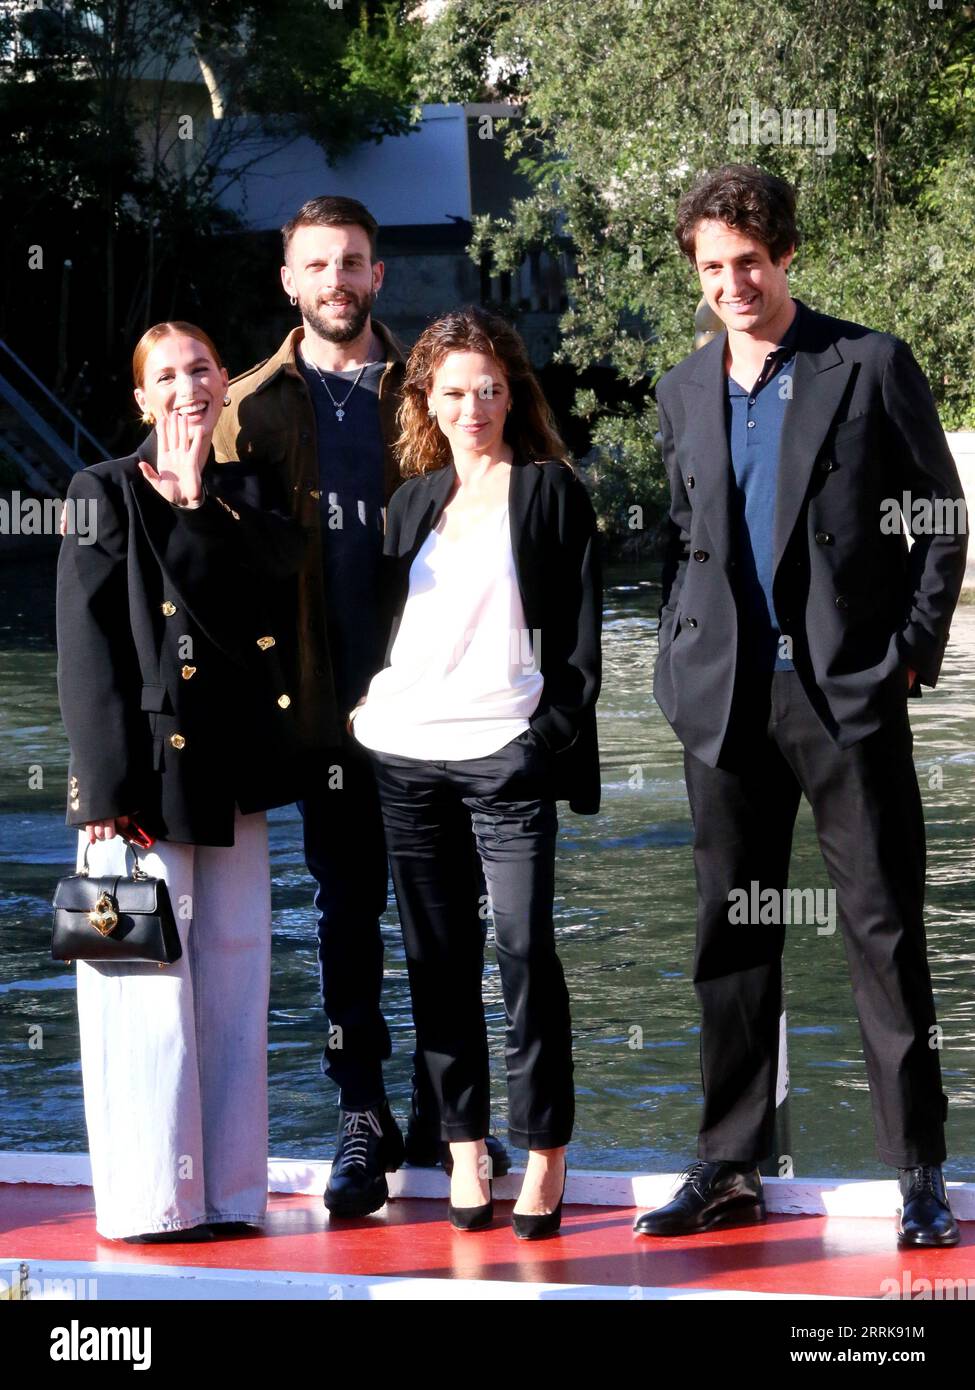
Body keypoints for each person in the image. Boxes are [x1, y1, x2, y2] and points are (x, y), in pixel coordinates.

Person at [637, 165, 967, 1246]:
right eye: (713, 267)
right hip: (723, 704)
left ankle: (918, 1169)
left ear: (785, 256)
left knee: (881, 930)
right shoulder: (683, 390)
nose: (733, 282)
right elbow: (690, 537)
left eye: (750, 262)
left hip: (844, 693)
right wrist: (675, 662)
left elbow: (938, 515)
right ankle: (727, 1162)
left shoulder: (866, 362)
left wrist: (909, 653)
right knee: (729, 937)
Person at [212, 197, 508, 1219]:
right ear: (289, 282)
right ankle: (360, 1112)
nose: (336, 281)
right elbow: (202, 571)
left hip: (442, 702)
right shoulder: (242, 408)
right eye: (316, 266)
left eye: (353, 263)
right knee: (345, 915)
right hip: (325, 714)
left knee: (448, 914)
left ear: (379, 275)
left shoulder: (438, 390)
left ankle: (447, 1107)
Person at [351, 306, 602, 1237]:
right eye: (454, 391)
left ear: (512, 392)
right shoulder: (412, 501)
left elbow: (578, 643)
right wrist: (363, 706)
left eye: (489, 388)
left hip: (506, 754)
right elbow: (379, 622)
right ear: (428, 399)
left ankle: (543, 1154)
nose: (474, 405)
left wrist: (547, 738)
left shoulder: (549, 492)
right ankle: (463, 1148)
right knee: (436, 959)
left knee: (526, 949)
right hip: (406, 753)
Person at [57, 321, 308, 1242]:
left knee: (238, 984)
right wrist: (99, 797)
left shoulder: (246, 495)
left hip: (233, 774)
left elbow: (278, 582)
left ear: (222, 383)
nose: (187, 388)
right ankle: (153, 1206)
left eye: (200, 369)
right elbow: (87, 656)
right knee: (140, 992)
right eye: (165, 376)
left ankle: (230, 1197)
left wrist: (204, 500)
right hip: (140, 789)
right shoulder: (100, 491)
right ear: (140, 398)